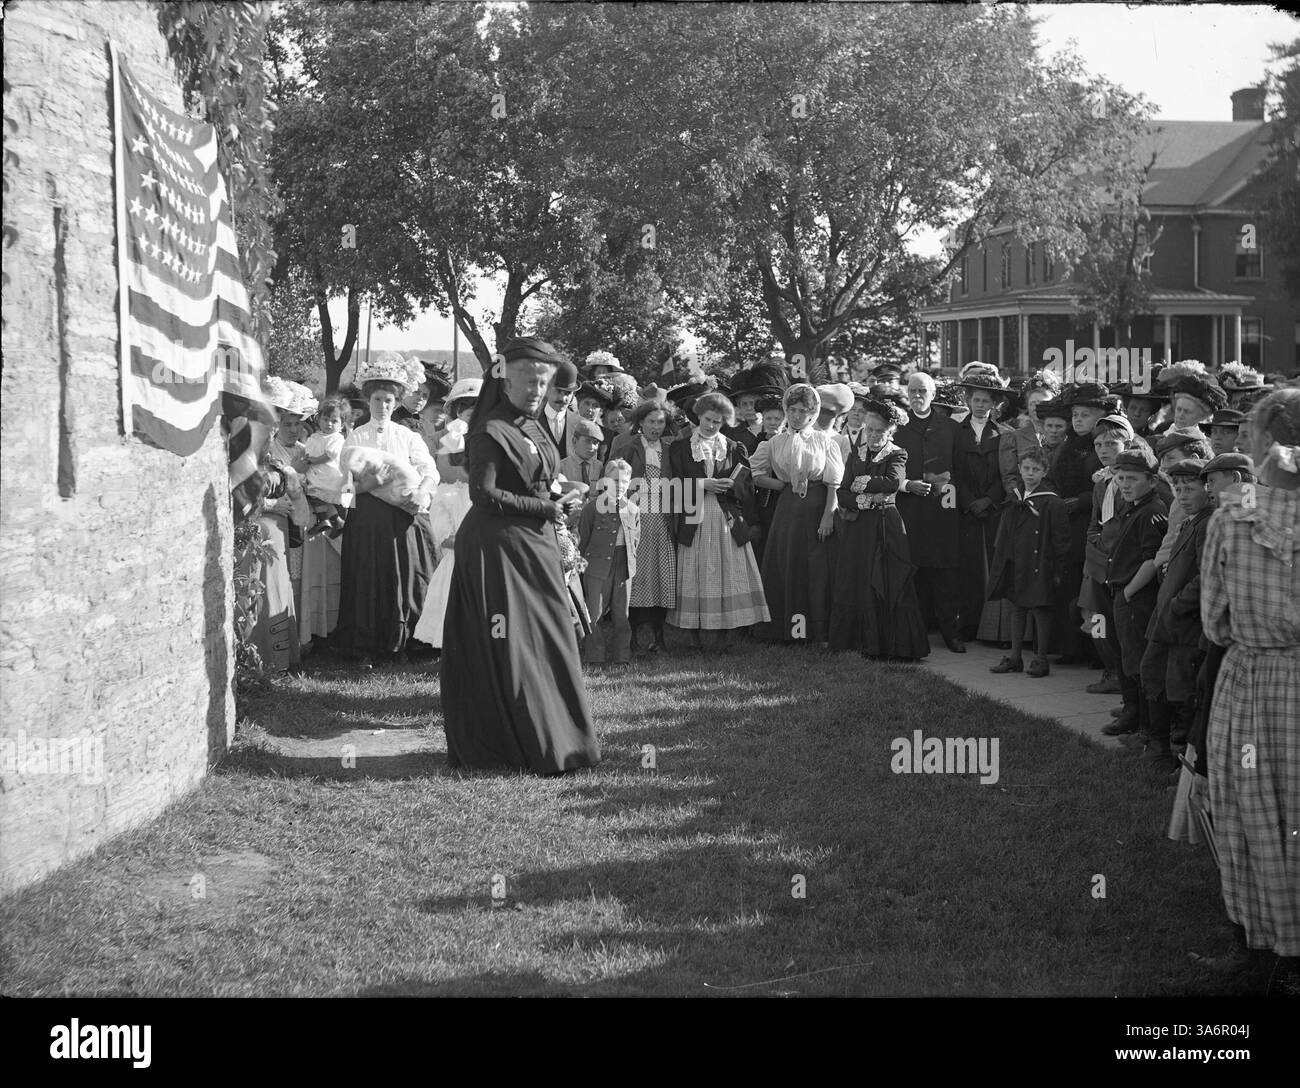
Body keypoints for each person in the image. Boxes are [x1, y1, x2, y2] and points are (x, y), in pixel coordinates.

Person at [441, 337, 600, 774]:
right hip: (497, 548)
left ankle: (560, 739)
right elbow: (484, 493)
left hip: (535, 542)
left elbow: (537, 479)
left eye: (542, 382)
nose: (535, 389)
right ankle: (514, 744)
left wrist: (561, 494)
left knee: (548, 638)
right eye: (527, 380)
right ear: (505, 379)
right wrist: (546, 507)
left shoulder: (533, 425)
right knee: (511, 643)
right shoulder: (490, 429)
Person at [1199, 388, 1300, 988]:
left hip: (1258, 680)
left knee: (1254, 805)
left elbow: (1214, 621)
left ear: (1259, 442)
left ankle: (1263, 941)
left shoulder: (1233, 516)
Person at [333, 355, 440, 668]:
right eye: (377, 399)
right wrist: (370, 484)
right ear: (369, 400)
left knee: (406, 577)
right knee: (369, 577)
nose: (383, 406)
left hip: (403, 518)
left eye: (389, 400)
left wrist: (422, 491)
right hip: (367, 518)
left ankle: (408, 641)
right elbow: (344, 494)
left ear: (397, 402)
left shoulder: (408, 436)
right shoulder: (355, 437)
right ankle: (367, 642)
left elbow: (430, 471)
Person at [828, 397, 930, 659]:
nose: (873, 435)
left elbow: (893, 482)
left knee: (886, 578)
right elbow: (842, 493)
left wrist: (860, 483)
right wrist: (865, 498)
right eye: (869, 429)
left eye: (879, 431)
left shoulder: (897, 453)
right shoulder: (855, 453)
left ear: (890, 432)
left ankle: (892, 645)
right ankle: (858, 642)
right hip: (859, 528)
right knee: (857, 578)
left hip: (885, 525)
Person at [666, 391, 769, 651]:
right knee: (696, 572)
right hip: (695, 519)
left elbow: (748, 489)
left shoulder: (734, 447)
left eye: (718, 422)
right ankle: (694, 637)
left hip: (727, 520)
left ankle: (724, 636)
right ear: (698, 416)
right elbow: (672, 486)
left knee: (726, 573)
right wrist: (703, 484)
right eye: (708, 420)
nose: (712, 426)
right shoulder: (680, 447)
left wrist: (732, 486)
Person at [751, 384, 845, 645]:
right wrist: (780, 485)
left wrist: (828, 516)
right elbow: (754, 474)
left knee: (815, 567)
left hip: (817, 506)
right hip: (787, 509)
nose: (796, 416)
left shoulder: (826, 441)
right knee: (787, 563)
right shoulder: (774, 442)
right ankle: (786, 630)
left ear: (813, 413)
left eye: (803, 410)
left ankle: (816, 631)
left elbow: (834, 483)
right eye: (791, 410)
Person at [1139, 457, 1212, 768]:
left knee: (1182, 690)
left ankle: (1181, 758)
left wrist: (1179, 603)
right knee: (1152, 673)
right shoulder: (1190, 521)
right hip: (1166, 617)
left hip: (1184, 623)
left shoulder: (1209, 523)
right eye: (1178, 488)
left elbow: (1205, 575)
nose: (1181, 495)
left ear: (1208, 490)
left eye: (1189, 488)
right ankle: (1157, 745)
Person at [1102, 446, 1170, 762]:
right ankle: (1139, 726)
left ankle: (1150, 736)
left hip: (1136, 599)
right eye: (1120, 478)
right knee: (1129, 662)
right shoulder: (1133, 508)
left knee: (1141, 665)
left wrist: (1128, 592)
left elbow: (1152, 559)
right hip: (1122, 595)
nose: (1125, 484)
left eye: (1132, 479)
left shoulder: (1151, 512)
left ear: (1152, 481)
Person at [986, 446, 1071, 677]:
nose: (1030, 473)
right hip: (1017, 561)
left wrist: (1056, 570)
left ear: (1045, 472)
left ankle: (1041, 659)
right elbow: (1005, 534)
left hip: (1041, 563)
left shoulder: (1052, 503)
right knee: (1018, 608)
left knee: (1041, 609)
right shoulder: (1015, 498)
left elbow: (1061, 541)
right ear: (1020, 470)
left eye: (1036, 469)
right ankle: (1015, 658)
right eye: (1026, 468)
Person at [896, 371, 964, 652]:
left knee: (946, 574)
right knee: (915, 571)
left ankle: (951, 633)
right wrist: (904, 486)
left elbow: (960, 470)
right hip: (909, 510)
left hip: (943, 512)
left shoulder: (950, 428)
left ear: (933, 394)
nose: (917, 396)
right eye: (912, 391)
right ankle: (917, 633)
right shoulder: (898, 427)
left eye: (922, 391)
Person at [412, 380, 481, 651]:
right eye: (464, 407)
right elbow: (445, 537)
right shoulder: (443, 440)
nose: (470, 413)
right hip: (456, 531)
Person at [1049, 381, 1111, 663]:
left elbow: (1108, 487)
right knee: (1068, 586)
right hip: (1068, 525)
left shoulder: (1104, 445)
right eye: (1075, 415)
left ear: (1100, 416)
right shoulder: (1068, 445)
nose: (1078, 420)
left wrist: (1080, 501)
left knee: (1091, 590)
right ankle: (1070, 647)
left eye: (1085, 415)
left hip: (1092, 523)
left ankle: (1096, 652)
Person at [952, 366, 1013, 642]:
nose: (980, 405)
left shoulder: (1003, 433)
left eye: (986, 401)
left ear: (994, 404)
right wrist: (968, 501)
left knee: (992, 565)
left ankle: (990, 630)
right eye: (976, 400)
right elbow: (954, 469)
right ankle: (966, 624)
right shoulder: (956, 431)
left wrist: (989, 499)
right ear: (968, 401)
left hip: (992, 509)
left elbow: (1006, 472)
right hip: (965, 510)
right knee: (967, 568)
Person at [620, 400, 678, 653]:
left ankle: (658, 634)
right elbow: (614, 483)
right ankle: (632, 634)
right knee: (636, 575)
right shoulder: (627, 447)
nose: (656, 427)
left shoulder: (671, 448)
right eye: (651, 421)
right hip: (636, 520)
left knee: (661, 575)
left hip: (663, 520)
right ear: (640, 422)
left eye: (661, 422)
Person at [577, 460, 639, 666]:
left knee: (622, 613)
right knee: (594, 612)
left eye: (624, 481)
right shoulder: (591, 509)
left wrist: (630, 563)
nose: (619, 485)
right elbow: (582, 540)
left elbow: (635, 539)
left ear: (629, 482)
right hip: (597, 565)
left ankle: (622, 656)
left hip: (623, 566)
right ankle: (595, 655)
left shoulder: (632, 509)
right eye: (614, 480)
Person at [998, 370, 1060, 498]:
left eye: (1043, 403)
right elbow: (1009, 476)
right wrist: (1020, 497)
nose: (1037, 407)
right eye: (1033, 403)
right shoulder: (1013, 437)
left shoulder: (1062, 435)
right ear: (1027, 406)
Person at [303, 395, 352, 538]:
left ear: (341, 425)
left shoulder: (336, 438)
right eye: (326, 419)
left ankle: (323, 518)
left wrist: (313, 460)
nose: (329, 424)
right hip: (318, 471)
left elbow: (328, 455)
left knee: (313, 493)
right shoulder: (318, 436)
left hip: (326, 473)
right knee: (320, 497)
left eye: (334, 421)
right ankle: (337, 521)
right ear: (318, 419)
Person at [540, 359, 582, 458]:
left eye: (568, 393)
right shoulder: (529, 423)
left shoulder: (583, 426)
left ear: (574, 394)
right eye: (558, 391)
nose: (563, 398)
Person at [558, 418, 606, 488]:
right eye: (587, 441)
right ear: (574, 441)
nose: (591, 447)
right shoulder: (562, 467)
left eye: (595, 443)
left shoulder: (599, 467)